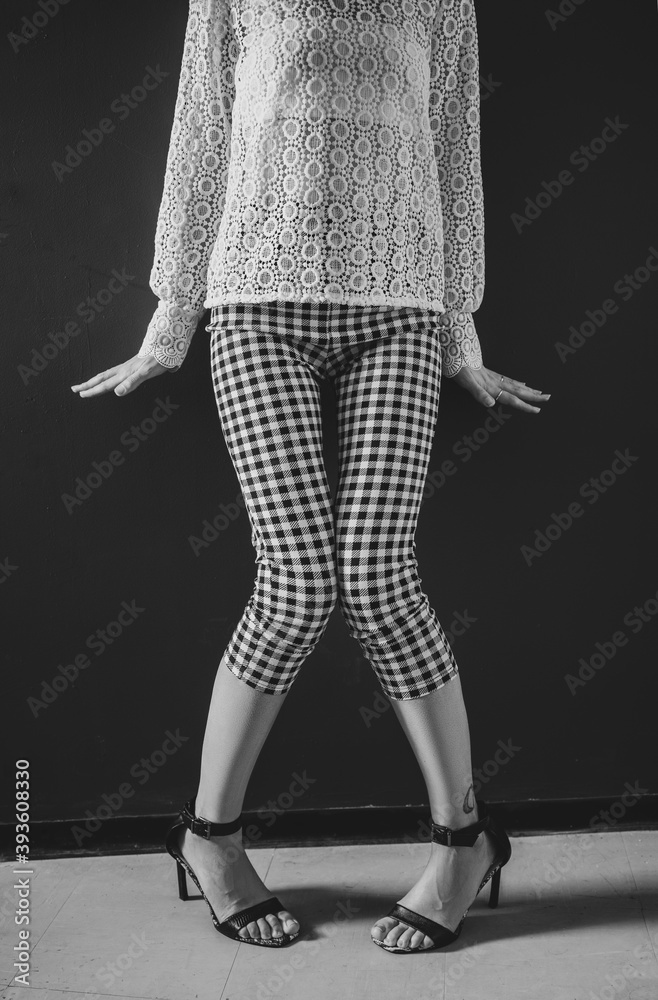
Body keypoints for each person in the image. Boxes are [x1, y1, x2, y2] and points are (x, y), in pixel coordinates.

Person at [71, 0, 550, 953]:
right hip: (253, 303)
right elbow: (199, 132)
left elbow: (457, 152)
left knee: (380, 580)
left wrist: (463, 330)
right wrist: (171, 320)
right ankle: (209, 838)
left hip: (400, 310)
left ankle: (465, 841)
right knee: (293, 588)